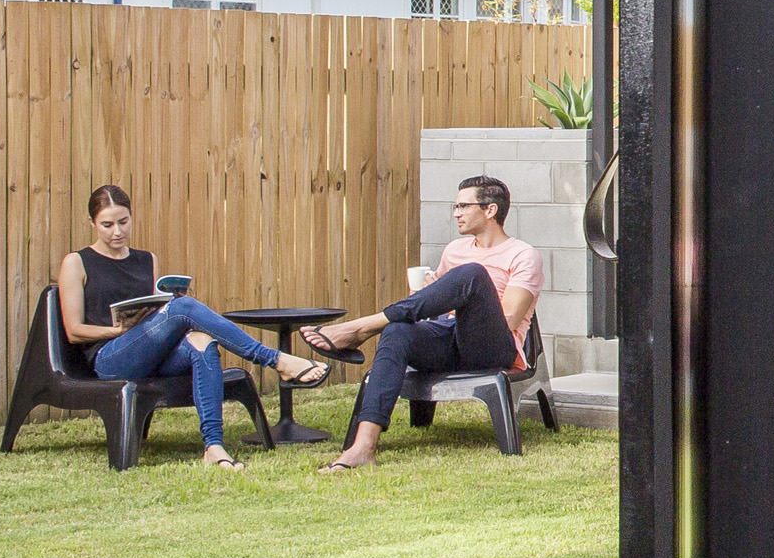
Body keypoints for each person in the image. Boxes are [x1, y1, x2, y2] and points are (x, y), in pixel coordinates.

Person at [56, 183, 328, 469]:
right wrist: (118, 331)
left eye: (123, 222)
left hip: (151, 352)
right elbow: (74, 331)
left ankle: (214, 446)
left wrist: (164, 310)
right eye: (107, 225)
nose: (117, 232)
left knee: (201, 340)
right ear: (92, 223)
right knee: (184, 308)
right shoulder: (77, 262)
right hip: (110, 358)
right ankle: (276, 360)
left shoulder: (146, 260)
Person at [304, 175, 547, 471]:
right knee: (397, 330)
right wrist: (430, 294)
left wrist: (457, 298)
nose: (456, 213)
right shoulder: (454, 250)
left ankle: (365, 326)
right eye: (455, 206)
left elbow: (508, 319)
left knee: (472, 274)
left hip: (492, 347)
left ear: (490, 210)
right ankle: (363, 446)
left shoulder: (523, 255)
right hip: (449, 338)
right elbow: (433, 306)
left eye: (463, 206)